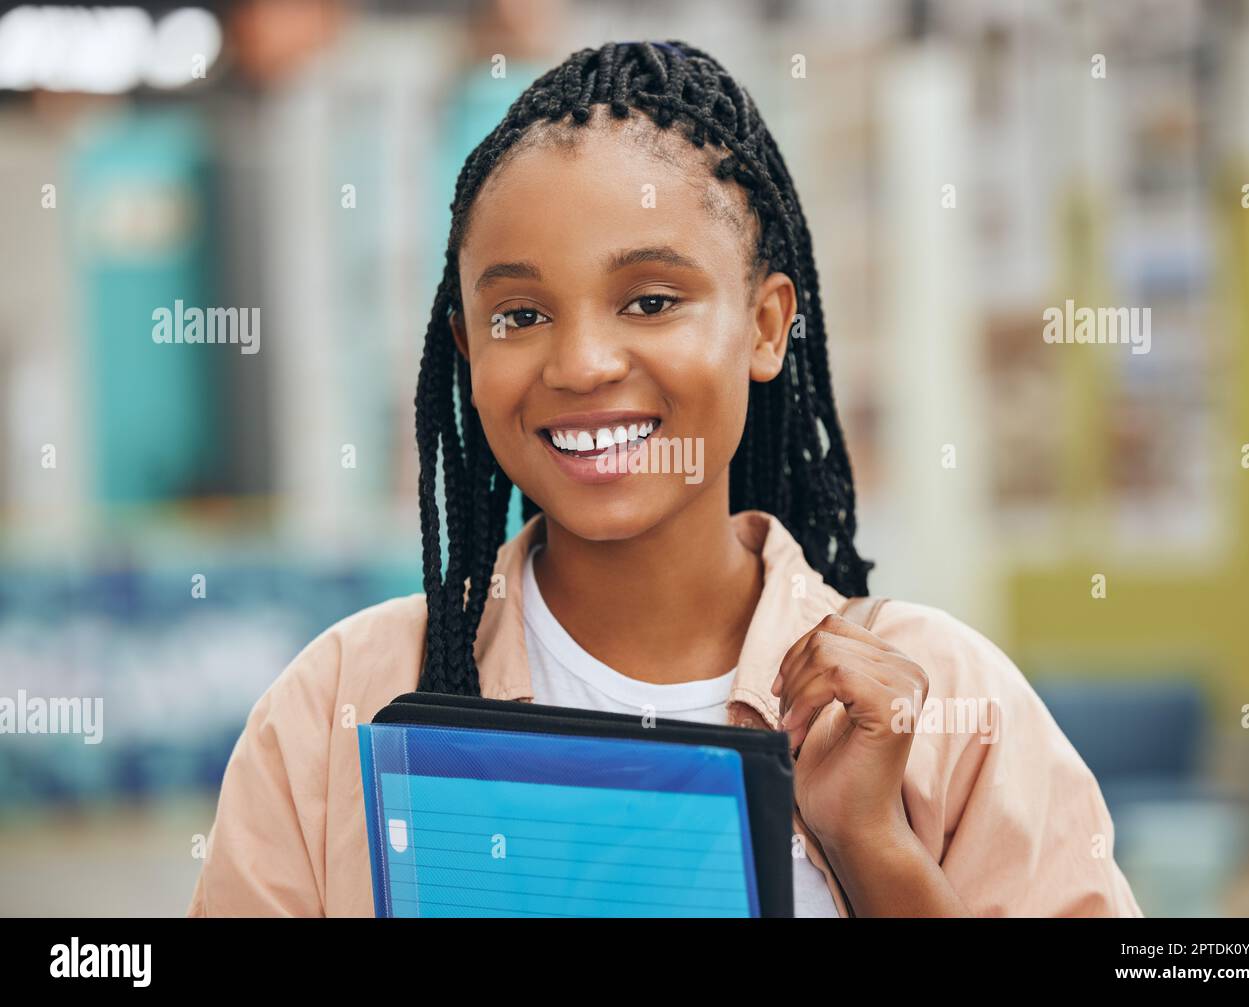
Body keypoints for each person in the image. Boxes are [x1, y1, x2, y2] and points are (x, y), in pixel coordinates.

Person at [187, 40, 1141, 918]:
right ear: (465, 347)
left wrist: (873, 845)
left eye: (651, 299)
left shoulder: (938, 704)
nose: (584, 364)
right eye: (520, 315)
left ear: (767, 327)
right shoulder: (339, 705)